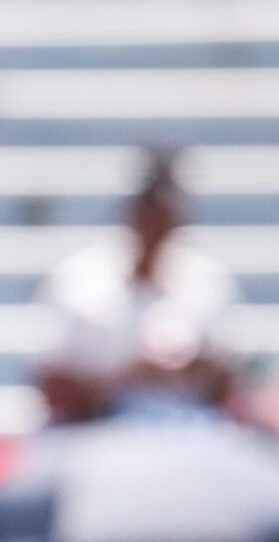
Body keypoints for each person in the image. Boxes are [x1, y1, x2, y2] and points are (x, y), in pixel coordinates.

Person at [34, 150, 241, 426]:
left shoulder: (209, 281)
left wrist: (191, 371)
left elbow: (232, 385)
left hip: (188, 434)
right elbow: (50, 385)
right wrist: (128, 377)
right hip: (92, 437)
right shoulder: (78, 280)